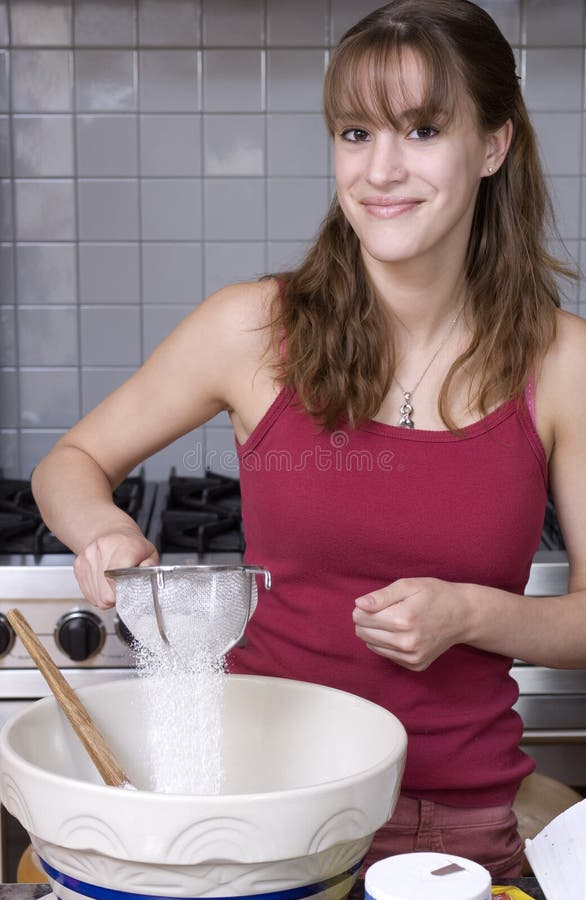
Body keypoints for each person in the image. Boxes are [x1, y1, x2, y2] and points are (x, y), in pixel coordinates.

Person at [31, 0, 586, 880]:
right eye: (356, 133)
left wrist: (475, 615)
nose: (383, 169)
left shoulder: (564, 361)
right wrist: (100, 530)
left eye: (424, 129)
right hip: (257, 809)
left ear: (494, 146)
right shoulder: (250, 328)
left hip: (450, 829)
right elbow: (70, 463)